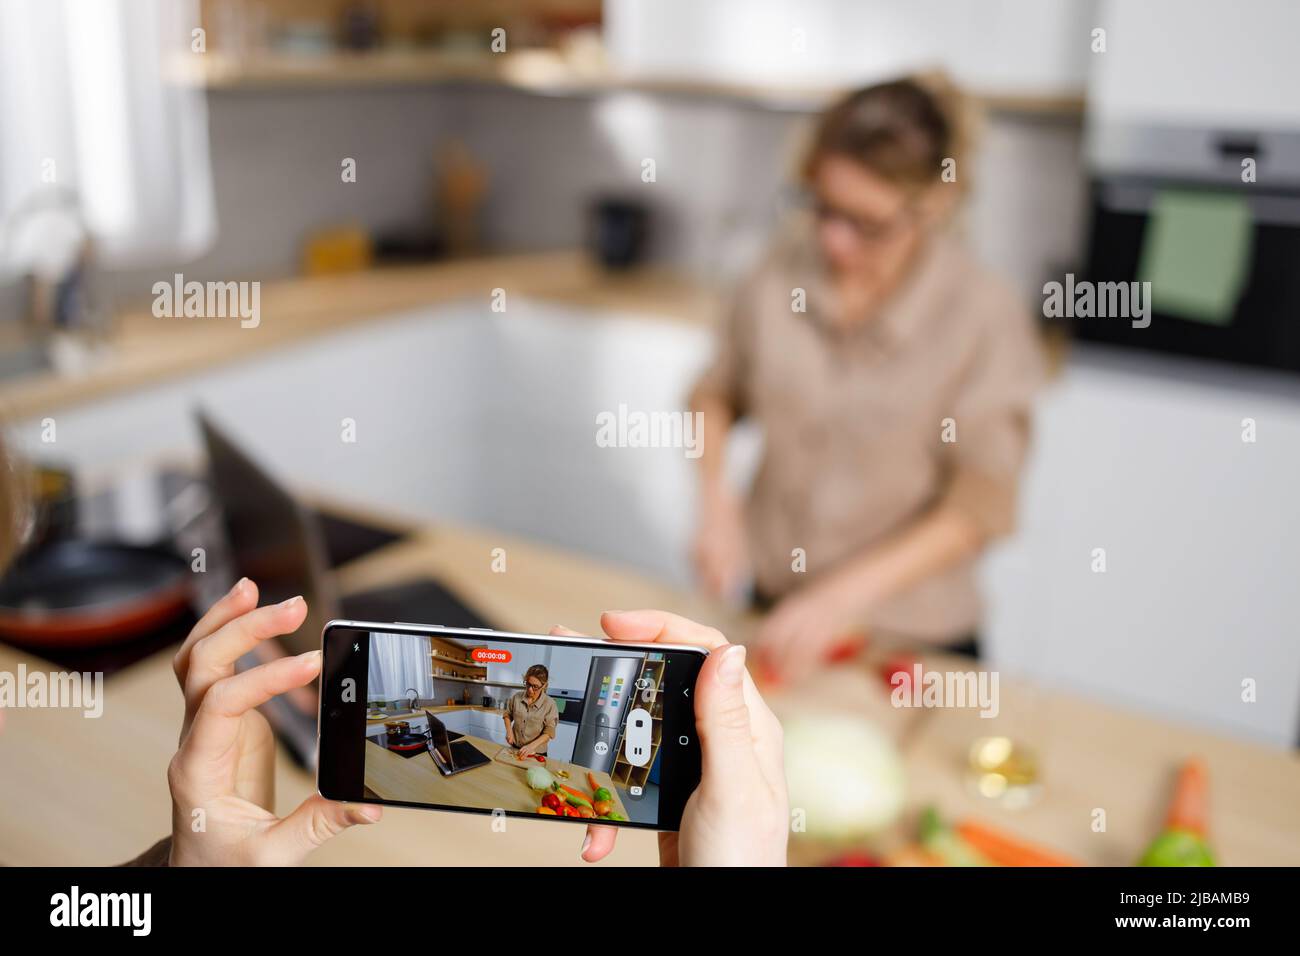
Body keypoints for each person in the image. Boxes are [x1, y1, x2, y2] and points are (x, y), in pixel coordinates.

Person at [690, 75, 1045, 682]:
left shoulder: (982, 311)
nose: (833, 240)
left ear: (935, 203)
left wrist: (838, 597)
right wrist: (715, 501)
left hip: (909, 643)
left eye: (867, 223)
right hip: (770, 614)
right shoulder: (779, 271)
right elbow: (715, 394)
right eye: (822, 207)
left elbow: (981, 502)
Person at [504, 664, 558, 759]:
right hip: (515, 749)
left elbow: (549, 731)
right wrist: (509, 732)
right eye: (528, 684)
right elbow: (507, 714)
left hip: (536, 753)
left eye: (535, 686)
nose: (530, 689)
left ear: (544, 686)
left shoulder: (550, 704)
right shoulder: (516, 697)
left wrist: (531, 746)